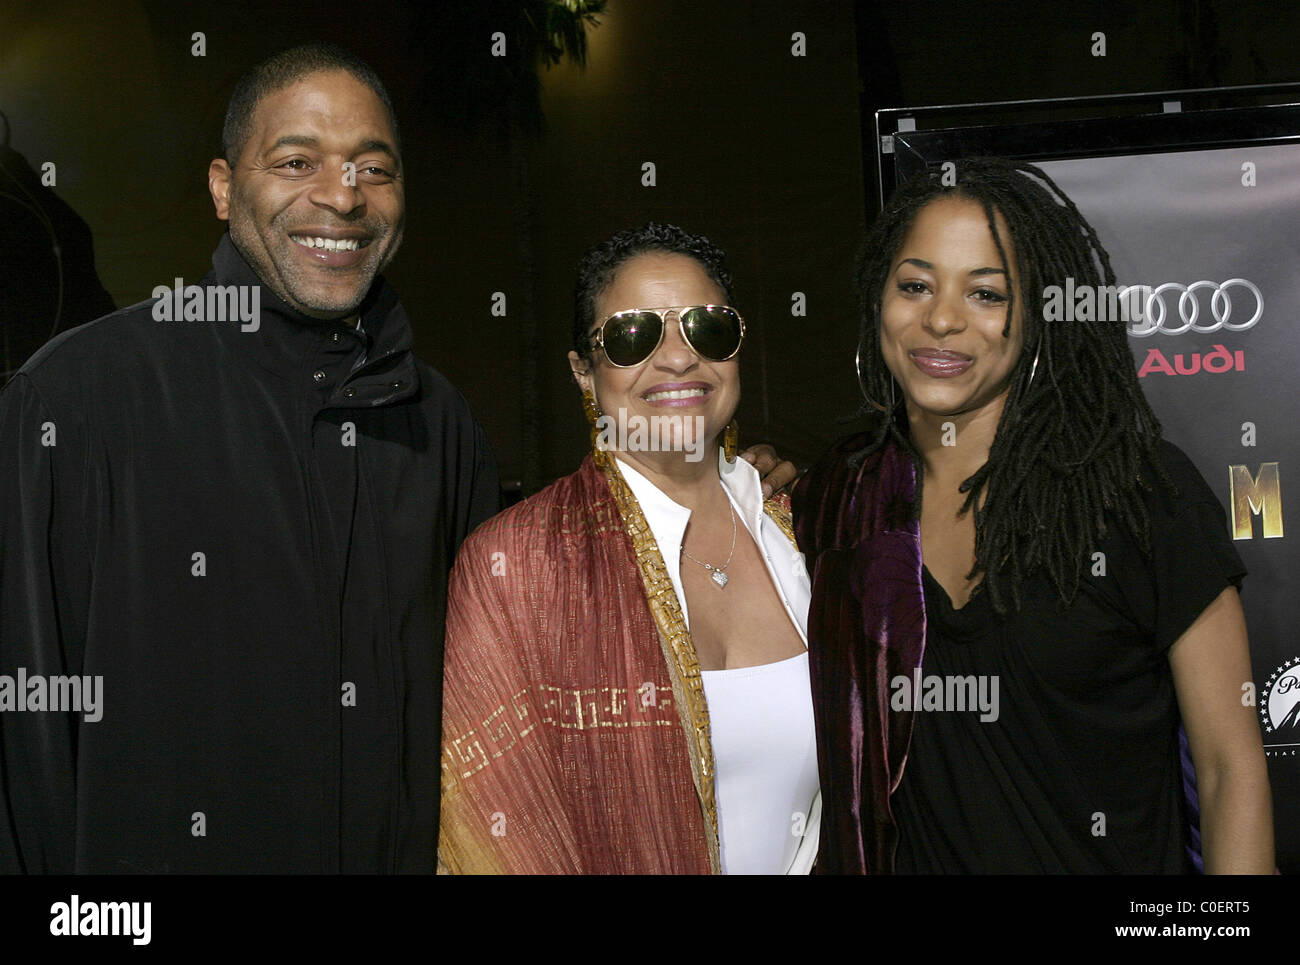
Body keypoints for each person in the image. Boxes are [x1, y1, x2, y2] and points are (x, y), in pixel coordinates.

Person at [0, 44, 502, 872]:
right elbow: (22, 754)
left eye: (374, 167)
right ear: (224, 186)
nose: (342, 197)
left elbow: (497, 701)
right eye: (297, 160)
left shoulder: (438, 423)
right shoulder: (78, 402)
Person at [793, 157, 1274, 874]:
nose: (943, 319)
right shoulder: (839, 498)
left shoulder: (1139, 492)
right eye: (915, 285)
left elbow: (1230, 768)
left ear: (1039, 313)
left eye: (986, 293)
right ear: (878, 300)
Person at [438, 223, 820, 874]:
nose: (677, 357)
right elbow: (490, 826)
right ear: (584, 373)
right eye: (634, 334)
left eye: (708, 328)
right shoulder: (515, 565)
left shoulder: (805, 537)